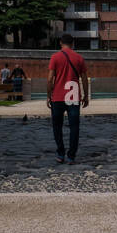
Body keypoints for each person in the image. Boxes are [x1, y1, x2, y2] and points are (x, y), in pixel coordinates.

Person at [47, 33, 89, 164]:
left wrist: (49, 95)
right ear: (73, 43)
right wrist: (86, 95)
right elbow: (84, 78)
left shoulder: (55, 57)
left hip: (58, 96)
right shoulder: (79, 58)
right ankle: (71, 155)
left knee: (57, 126)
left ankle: (60, 153)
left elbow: (50, 79)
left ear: (60, 42)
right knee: (74, 127)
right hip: (73, 96)